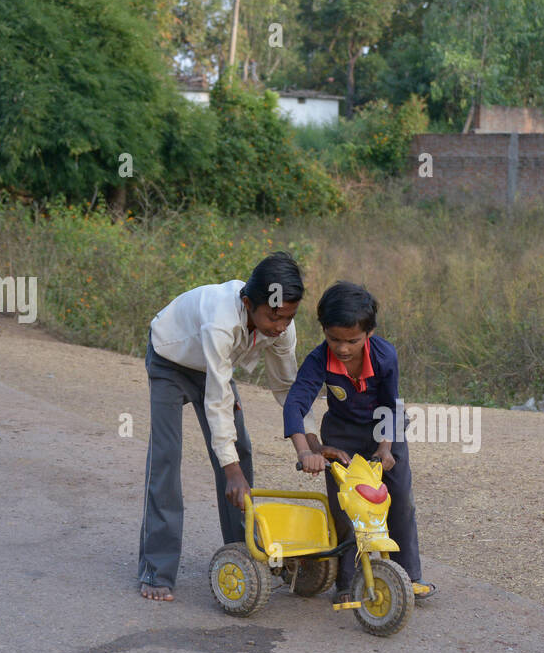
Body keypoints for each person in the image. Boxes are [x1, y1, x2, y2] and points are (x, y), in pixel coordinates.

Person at [138, 252, 322, 601]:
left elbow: (288, 387)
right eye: (274, 316)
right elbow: (217, 397)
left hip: (214, 367)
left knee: (241, 452)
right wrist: (230, 471)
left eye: (289, 317)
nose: (281, 325)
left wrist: (311, 441)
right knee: (166, 458)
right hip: (170, 360)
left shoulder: (281, 324)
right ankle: (155, 570)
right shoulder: (221, 319)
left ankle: (243, 554)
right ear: (249, 302)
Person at [282, 281, 435, 602]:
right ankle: (348, 583)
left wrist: (385, 449)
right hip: (341, 434)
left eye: (352, 340)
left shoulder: (384, 356)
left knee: (397, 501)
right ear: (323, 330)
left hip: (385, 430)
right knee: (346, 508)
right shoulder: (318, 360)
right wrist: (306, 450)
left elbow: (391, 405)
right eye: (334, 339)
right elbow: (296, 402)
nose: (343, 348)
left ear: (369, 334)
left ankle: (408, 577)